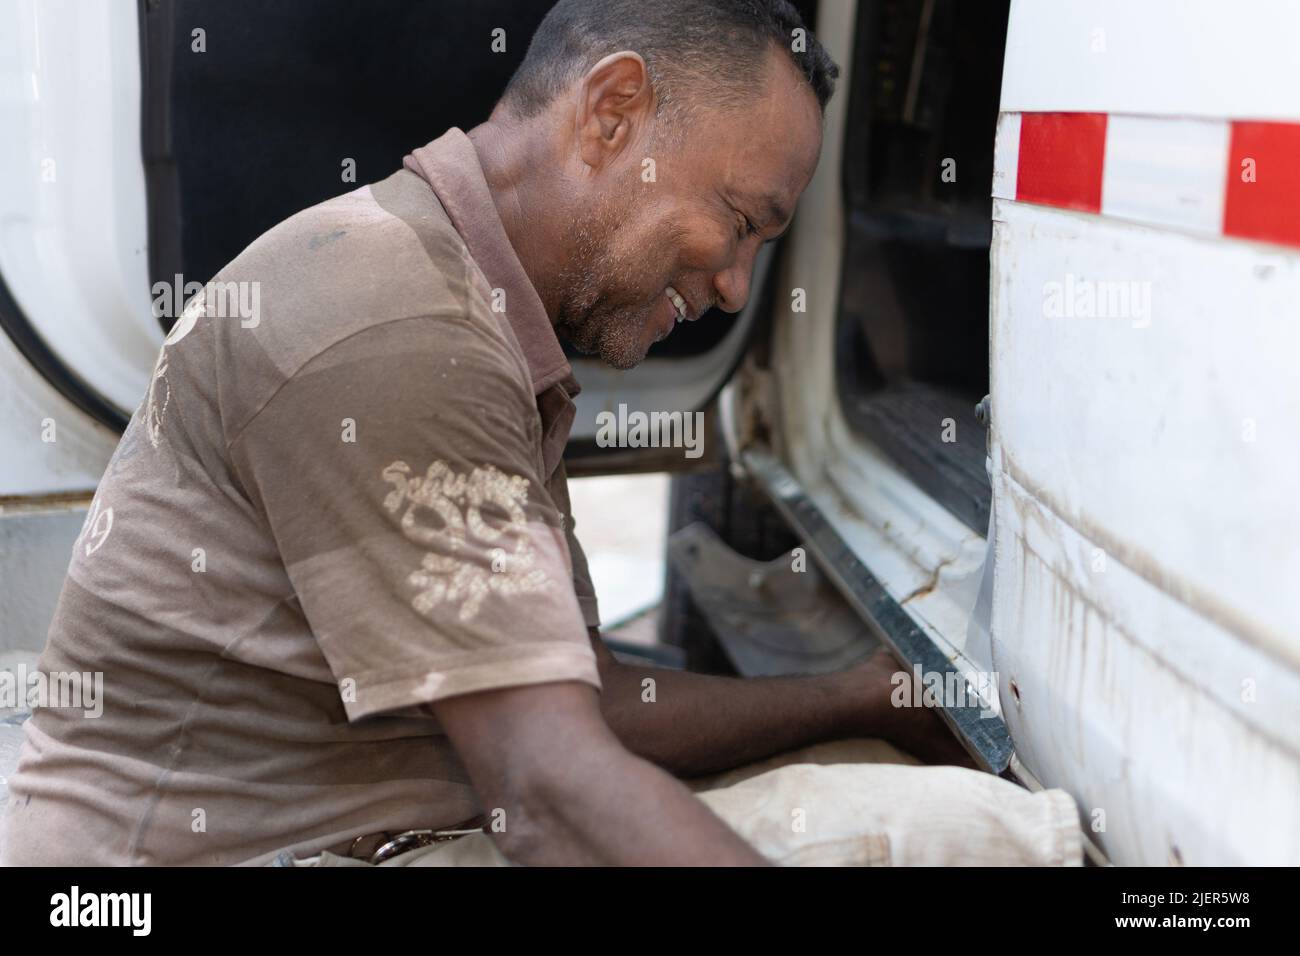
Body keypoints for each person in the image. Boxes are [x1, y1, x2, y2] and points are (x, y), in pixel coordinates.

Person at [4, 0, 1079, 866]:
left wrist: (860, 698)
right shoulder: (395, 328)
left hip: (373, 817)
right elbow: (546, 791)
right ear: (612, 111)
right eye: (740, 220)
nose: (732, 283)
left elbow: (587, 700)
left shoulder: (462, 294)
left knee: (870, 761)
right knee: (982, 839)